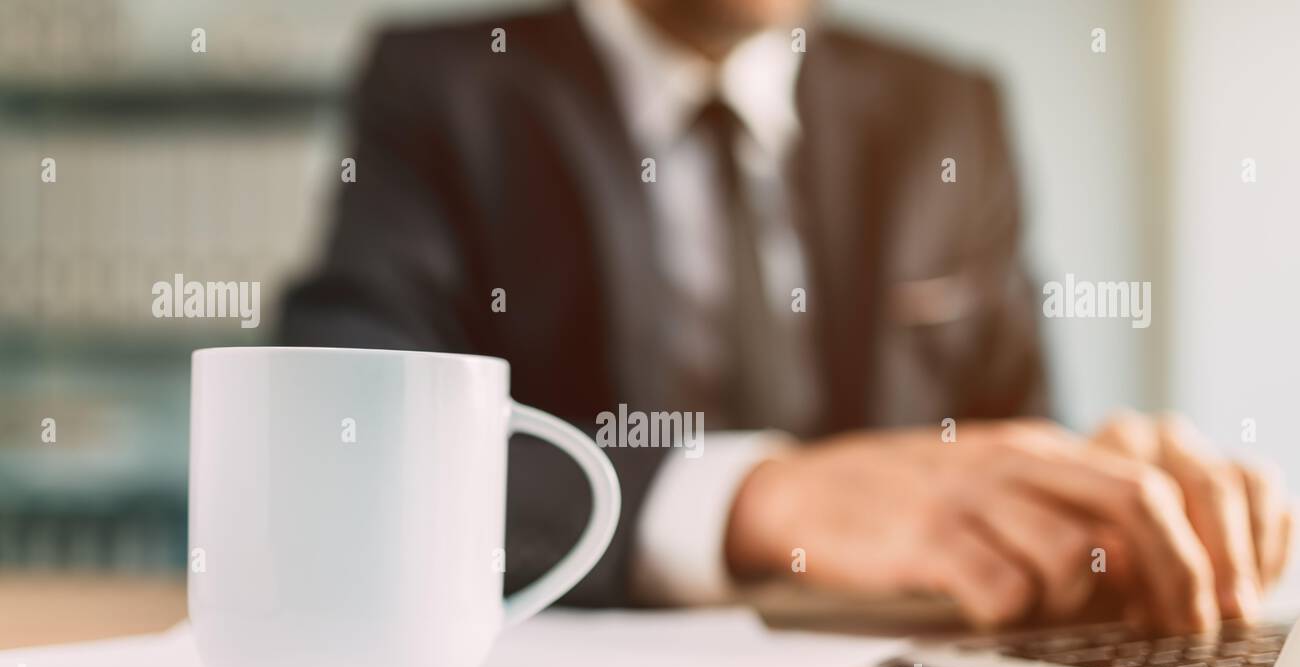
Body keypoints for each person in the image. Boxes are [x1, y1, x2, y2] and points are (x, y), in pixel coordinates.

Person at [281, 0, 1291, 632]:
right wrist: (756, 500)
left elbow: (1006, 425)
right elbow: (344, 431)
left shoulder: (949, 109)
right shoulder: (443, 87)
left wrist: (1099, 504)